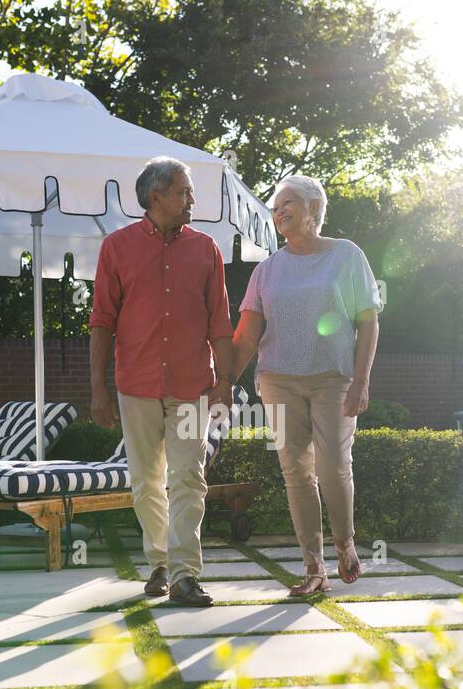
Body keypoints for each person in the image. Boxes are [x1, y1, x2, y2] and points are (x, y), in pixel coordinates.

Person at [89, 156, 235, 606]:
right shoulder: (116, 247)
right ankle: (159, 563)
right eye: (184, 191)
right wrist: (98, 388)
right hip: (135, 383)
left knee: (189, 476)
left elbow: (220, 322)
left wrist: (225, 381)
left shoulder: (206, 248)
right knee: (146, 481)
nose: (192, 199)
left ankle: (185, 573)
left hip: (193, 384)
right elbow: (101, 321)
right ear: (156, 197)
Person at [233, 173, 382, 598]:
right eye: (275, 205)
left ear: (314, 209)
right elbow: (246, 336)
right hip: (278, 380)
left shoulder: (347, 256)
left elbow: (368, 320)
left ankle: (345, 543)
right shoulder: (266, 270)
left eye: (289, 203)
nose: (279, 211)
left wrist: (361, 380)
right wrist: (223, 381)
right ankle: (314, 568)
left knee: (333, 467)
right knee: (296, 472)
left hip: (333, 379)